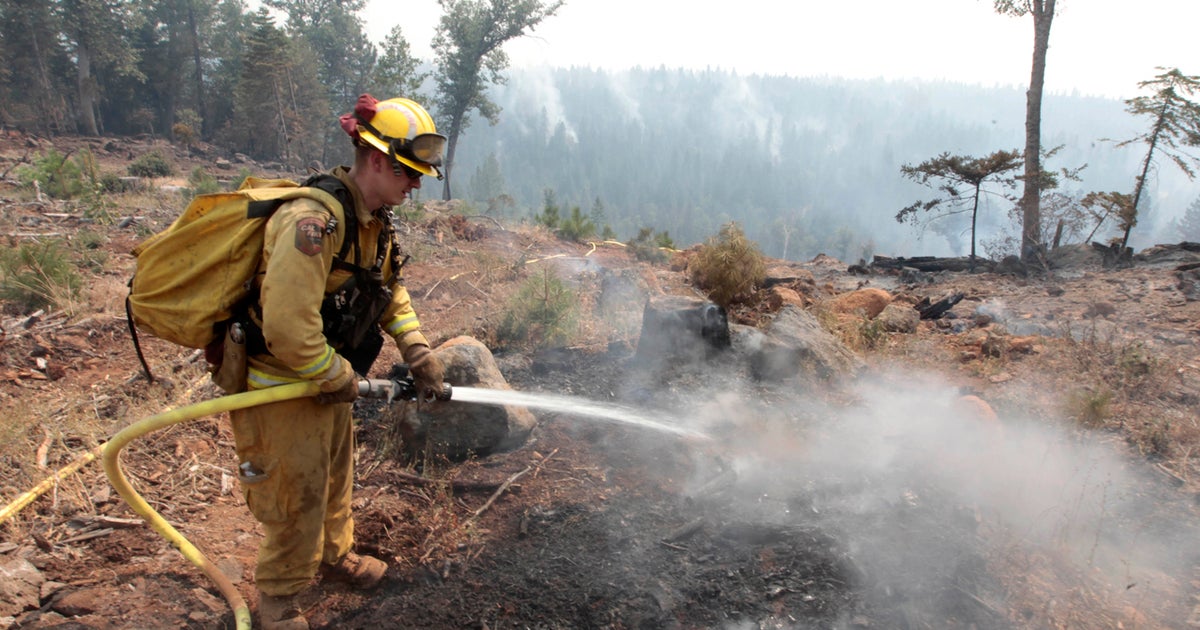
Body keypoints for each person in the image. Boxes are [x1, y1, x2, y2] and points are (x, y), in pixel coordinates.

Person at [229, 94, 447, 630]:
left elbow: (386, 291)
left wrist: (415, 348)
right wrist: (335, 374)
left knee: (333, 476)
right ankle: (279, 601)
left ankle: (333, 556)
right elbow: (286, 325)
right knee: (294, 491)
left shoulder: (375, 222)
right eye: (408, 172)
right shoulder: (312, 222)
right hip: (280, 383)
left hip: (327, 379)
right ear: (375, 159)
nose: (416, 185)